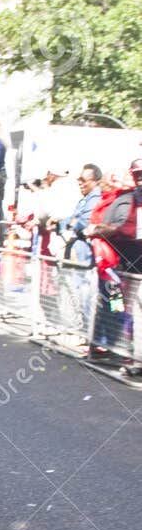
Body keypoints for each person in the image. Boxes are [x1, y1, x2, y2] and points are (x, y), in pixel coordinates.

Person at [94, 158, 142, 378]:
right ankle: (116, 348)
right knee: (122, 308)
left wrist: (101, 230)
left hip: (115, 267)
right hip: (117, 268)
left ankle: (117, 348)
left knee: (124, 309)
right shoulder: (127, 199)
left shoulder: (126, 200)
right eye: (137, 174)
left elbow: (128, 230)